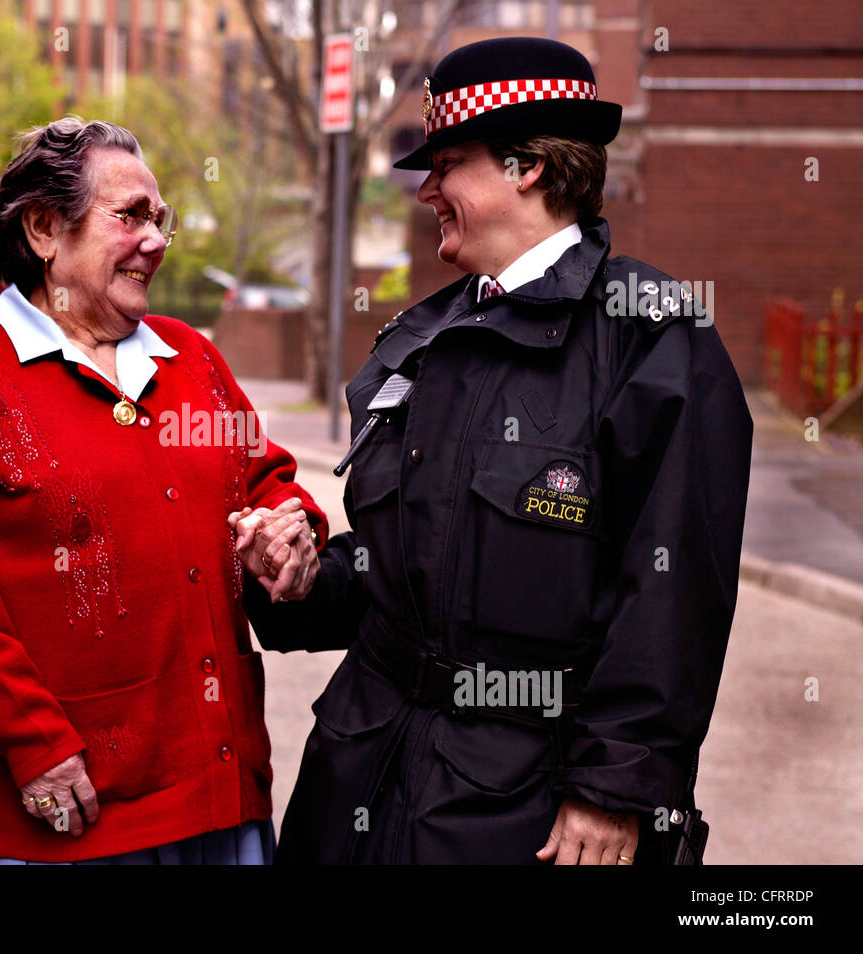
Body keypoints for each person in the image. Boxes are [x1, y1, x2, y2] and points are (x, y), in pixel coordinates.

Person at [236, 36, 753, 865]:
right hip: (364, 784)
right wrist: (297, 581)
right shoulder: (420, 338)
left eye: (449, 163)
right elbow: (398, 571)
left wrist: (615, 791)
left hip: (527, 814)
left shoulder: (652, 338)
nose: (427, 190)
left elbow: (673, 596)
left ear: (528, 166)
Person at [0, 117, 326, 864]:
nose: (155, 240)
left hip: (220, 794)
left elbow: (267, 479)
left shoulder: (189, 357)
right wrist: (33, 742)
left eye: (161, 219)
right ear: (44, 228)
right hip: (74, 810)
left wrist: (291, 533)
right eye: (130, 217)